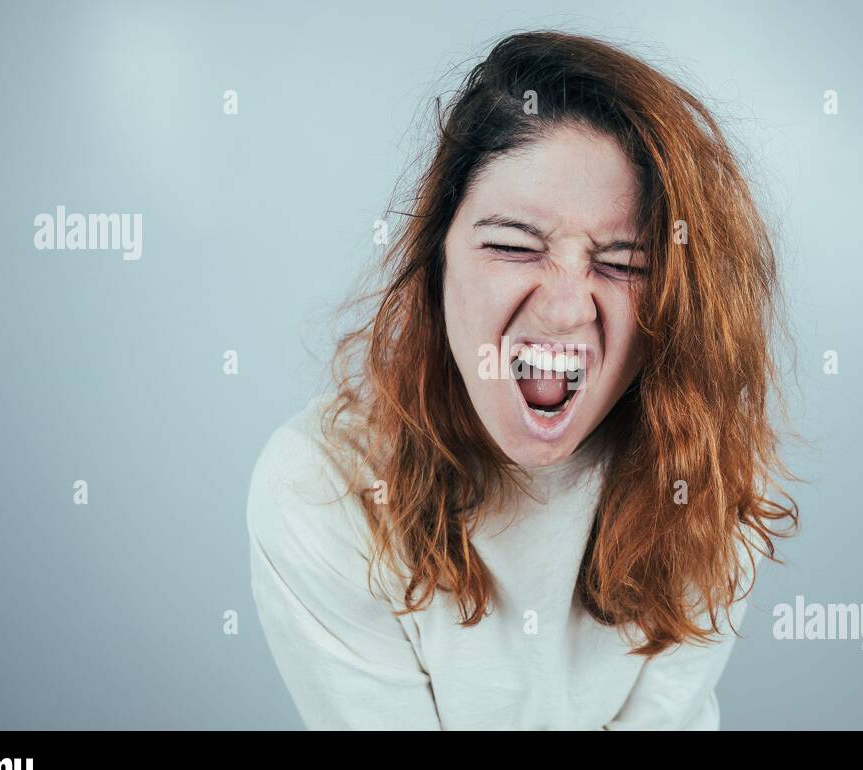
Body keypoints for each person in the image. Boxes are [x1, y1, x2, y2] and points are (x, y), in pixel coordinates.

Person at [248, 30, 800, 730]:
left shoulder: (708, 475)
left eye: (624, 263)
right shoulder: (318, 489)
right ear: (436, 260)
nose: (567, 305)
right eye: (513, 245)